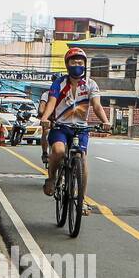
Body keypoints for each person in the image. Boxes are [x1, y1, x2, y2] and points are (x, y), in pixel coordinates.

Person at [39, 47, 109, 208]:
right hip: (60, 127)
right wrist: (44, 118)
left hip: (81, 129)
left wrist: (106, 121)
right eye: (73, 62)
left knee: (82, 159)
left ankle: (81, 200)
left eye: (80, 62)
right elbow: (51, 103)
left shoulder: (91, 84)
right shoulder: (59, 83)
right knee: (58, 151)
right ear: (67, 64)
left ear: (85, 64)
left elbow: (97, 106)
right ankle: (51, 178)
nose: (77, 64)